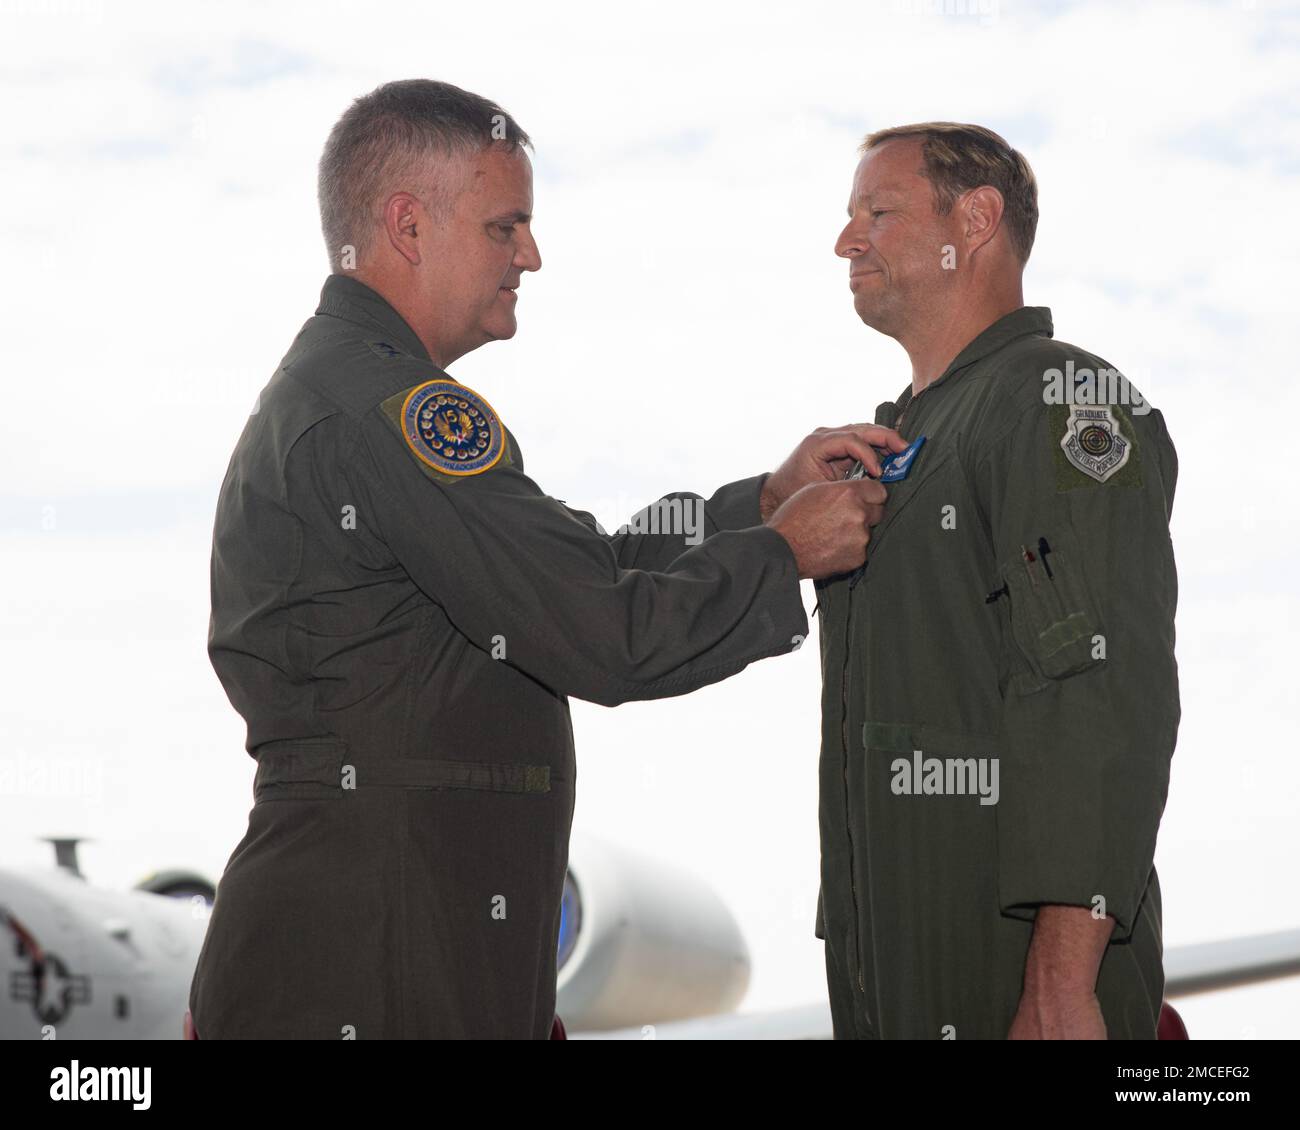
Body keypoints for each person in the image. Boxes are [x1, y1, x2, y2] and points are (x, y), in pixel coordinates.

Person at [188, 78, 905, 1039]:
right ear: (407, 225)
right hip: (386, 959)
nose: (531, 254)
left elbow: (571, 574)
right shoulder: (393, 413)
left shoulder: (346, 392)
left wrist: (757, 505)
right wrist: (781, 555)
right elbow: (601, 634)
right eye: (505, 226)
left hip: (379, 941)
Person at [814, 122, 1179, 1039]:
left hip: (1011, 975)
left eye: (877, 212)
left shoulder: (1059, 401)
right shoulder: (900, 447)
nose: (845, 240)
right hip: (893, 969)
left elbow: (1099, 690)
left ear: (973, 222)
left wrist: (1061, 983)